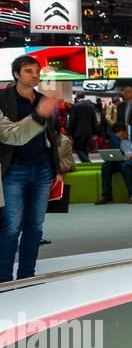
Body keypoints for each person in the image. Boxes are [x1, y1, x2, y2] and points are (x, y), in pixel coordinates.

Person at [0, 55, 60, 283]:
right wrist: (35, 117)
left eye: (37, 71)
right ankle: (4, 278)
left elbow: (51, 137)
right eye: (28, 71)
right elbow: (10, 134)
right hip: (13, 170)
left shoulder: (43, 100)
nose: (35, 75)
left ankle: (27, 276)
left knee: (35, 226)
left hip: (42, 169)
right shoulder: (3, 98)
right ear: (16, 74)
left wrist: (55, 168)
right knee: (11, 227)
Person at [66, 92, 98, 162]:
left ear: (77, 97)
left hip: (78, 132)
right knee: (84, 148)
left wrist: (69, 133)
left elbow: (72, 120)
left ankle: (87, 162)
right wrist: (95, 132)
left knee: (78, 149)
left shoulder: (75, 106)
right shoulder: (90, 106)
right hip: (88, 131)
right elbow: (94, 120)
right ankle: (86, 163)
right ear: (84, 96)